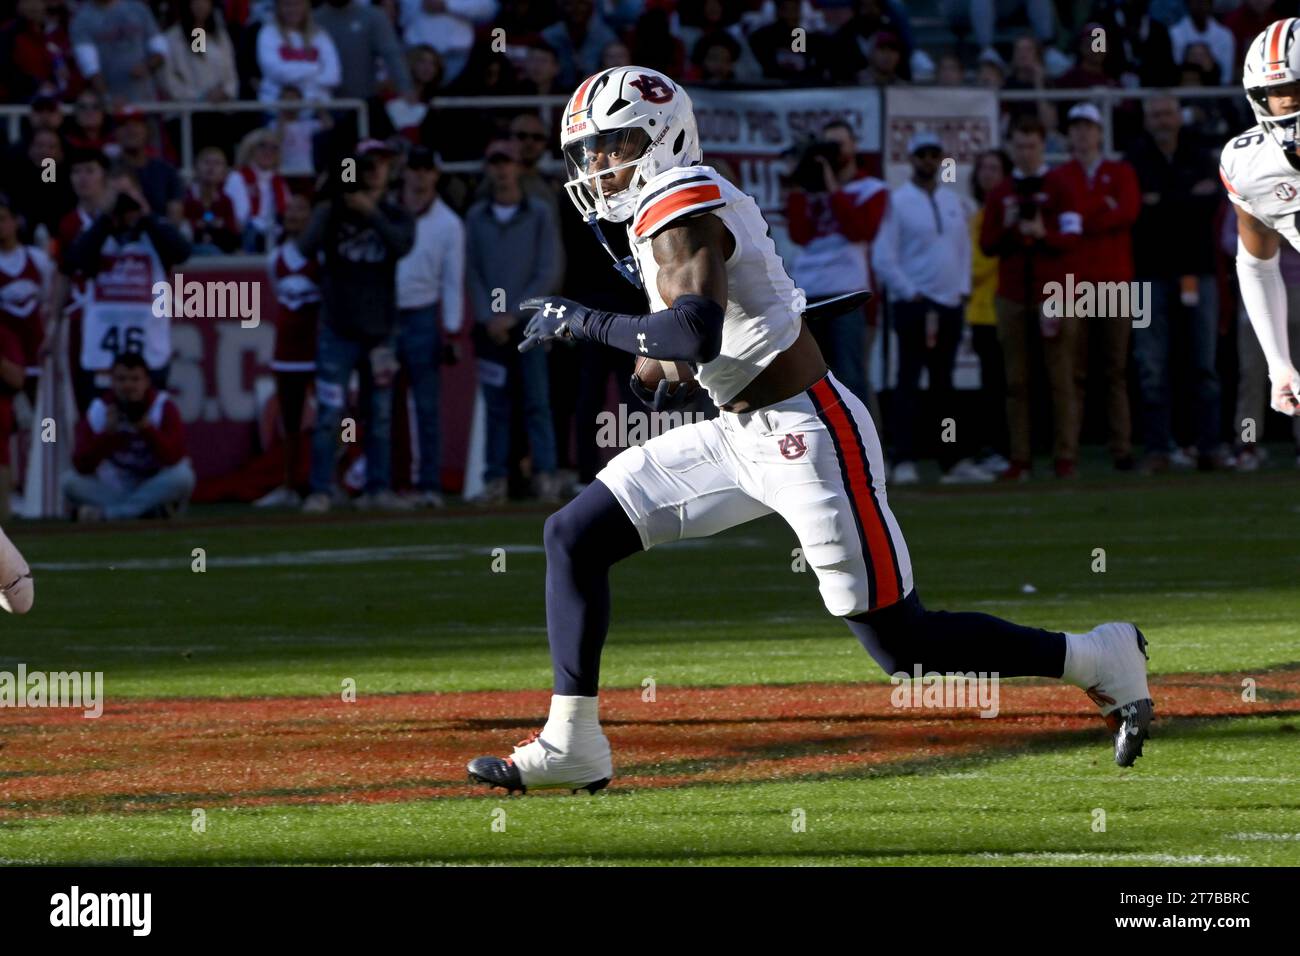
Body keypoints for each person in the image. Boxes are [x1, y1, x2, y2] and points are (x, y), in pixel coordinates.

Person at [465, 66, 1155, 796]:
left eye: (614, 144)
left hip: (807, 433)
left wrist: (588, 321)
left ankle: (1097, 656)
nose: (600, 164)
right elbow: (702, 337)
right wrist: (656, 360)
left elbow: (694, 331)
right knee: (575, 534)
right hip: (738, 431)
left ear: (661, 137)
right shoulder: (664, 207)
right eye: (592, 150)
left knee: (904, 646)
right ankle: (574, 741)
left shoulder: (683, 195)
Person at [297, 139, 415, 513]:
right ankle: (320, 488)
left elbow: (402, 245)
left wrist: (371, 213)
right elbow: (303, 246)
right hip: (338, 327)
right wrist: (334, 203)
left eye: (380, 164)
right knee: (330, 414)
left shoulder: (396, 214)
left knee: (379, 414)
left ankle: (376, 488)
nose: (374, 171)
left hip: (381, 330)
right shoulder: (333, 211)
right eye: (367, 165)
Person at [871, 130, 986, 485]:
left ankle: (949, 460)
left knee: (944, 386)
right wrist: (910, 292)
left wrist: (962, 289)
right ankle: (903, 457)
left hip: (949, 303)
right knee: (908, 381)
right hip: (914, 304)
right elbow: (883, 256)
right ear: (911, 159)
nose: (929, 161)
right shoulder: (897, 201)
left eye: (935, 154)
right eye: (922, 154)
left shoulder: (953, 200)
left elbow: (963, 249)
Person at [980, 114, 1082, 480]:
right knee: (1016, 381)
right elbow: (987, 245)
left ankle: (1065, 456)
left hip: (1053, 291)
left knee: (1061, 376)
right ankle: (1020, 458)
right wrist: (1010, 226)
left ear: (1043, 146)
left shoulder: (1061, 185)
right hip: (1012, 292)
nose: (1025, 153)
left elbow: (1073, 238)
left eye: (1032, 145)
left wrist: (1043, 234)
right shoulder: (1001, 191)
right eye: (1019, 146)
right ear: (1011, 147)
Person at [464, 138, 564, 504]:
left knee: (538, 402)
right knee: (497, 405)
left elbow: (548, 270)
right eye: (495, 162)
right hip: (493, 327)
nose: (502, 170)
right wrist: (489, 316)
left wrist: (512, 313)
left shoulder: (538, 212)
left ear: (519, 168)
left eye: (507, 162)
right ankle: (496, 480)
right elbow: (472, 271)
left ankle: (546, 476)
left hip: (530, 325)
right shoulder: (477, 217)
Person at [1127, 95, 1223, 472]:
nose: (1161, 120)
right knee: (1151, 365)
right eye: (1155, 114)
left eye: (1167, 113)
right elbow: (1137, 210)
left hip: (1195, 271)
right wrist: (1183, 200)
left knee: (1204, 362)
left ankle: (1209, 447)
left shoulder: (1199, 153)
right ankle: (1158, 450)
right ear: (1147, 120)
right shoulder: (1134, 158)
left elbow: (1210, 204)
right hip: (1149, 272)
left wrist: (1161, 202)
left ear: (1177, 116)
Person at [1219, 19, 1300, 433]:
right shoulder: (1249, 165)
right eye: (1275, 92)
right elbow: (1256, 264)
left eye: (1296, 89)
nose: (1286, 102)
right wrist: (1279, 363)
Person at [1056, 103, 1140, 472]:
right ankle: (1068, 452)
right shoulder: (1059, 176)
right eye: (1076, 127)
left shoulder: (1121, 171)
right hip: (1071, 284)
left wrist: (1084, 215)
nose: (1082, 134)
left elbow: (1129, 213)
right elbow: (1064, 226)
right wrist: (1101, 208)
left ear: (1099, 132)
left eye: (1088, 127)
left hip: (1116, 280)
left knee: (1116, 370)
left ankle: (1121, 448)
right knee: (1071, 372)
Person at [60, 166, 190, 393]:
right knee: (102, 421)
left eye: (127, 193)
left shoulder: (154, 234)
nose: (122, 202)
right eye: (115, 193)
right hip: (102, 354)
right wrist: (105, 218)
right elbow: (75, 260)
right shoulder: (96, 234)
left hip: (149, 351)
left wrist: (145, 215)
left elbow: (181, 252)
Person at [785, 119, 886, 413]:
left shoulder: (871, 188)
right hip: (810, 290)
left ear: (854, 147)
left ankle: (866, 450)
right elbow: (799, 235)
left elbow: (859, 230)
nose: (832, 152)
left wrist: (832, 188)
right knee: (815, 377)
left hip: (850, 292)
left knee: (851, 374)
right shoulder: (808, 188)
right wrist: (798, 183)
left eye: (838, 145)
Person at [395, 146, 464, 508]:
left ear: (435, 175)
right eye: (413, 168)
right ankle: (387, 484)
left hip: (423, 313)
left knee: (425, 405)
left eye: (426, 169)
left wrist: (451, 329)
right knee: (383, 407)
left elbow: (451, 281)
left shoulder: (449, 223)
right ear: (403, 172)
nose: (419, 176)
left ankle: (429, 484)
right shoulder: (388, 211)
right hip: (385, 317)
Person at [62, 351, 194, 521]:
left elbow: (174, 457)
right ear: (112, 382)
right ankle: (145, 511)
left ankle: (111, 514)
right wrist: (107, 434)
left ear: (146, 381)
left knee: (183, 476)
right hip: (116, 486)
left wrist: (147, 429)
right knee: (69, 482)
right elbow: (80, 464)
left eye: (135, 379)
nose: (128, 386)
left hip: (152, 482)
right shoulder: (100, 409)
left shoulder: (162, 407)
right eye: (122, 379)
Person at [256, 192, 320, 508]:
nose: (293, 214)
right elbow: (279, 295)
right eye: (290, 208)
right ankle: (289, 482)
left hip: (319, 350)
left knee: (334, 419)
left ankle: (329, 478)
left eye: (301, 208)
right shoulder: (275, 258)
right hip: (286, 352)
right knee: (290, 421)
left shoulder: (321, 255)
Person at [966, 148, 1011, 473]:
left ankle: (1013, 448)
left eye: (995, 168)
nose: (988, 174)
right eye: (984, 168)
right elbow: (976, 264)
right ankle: (996, 447)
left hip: (1010, 307)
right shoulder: (976, 218)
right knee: (992, 384)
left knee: (1015, 383)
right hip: (983, 312)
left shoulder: (993, 216)